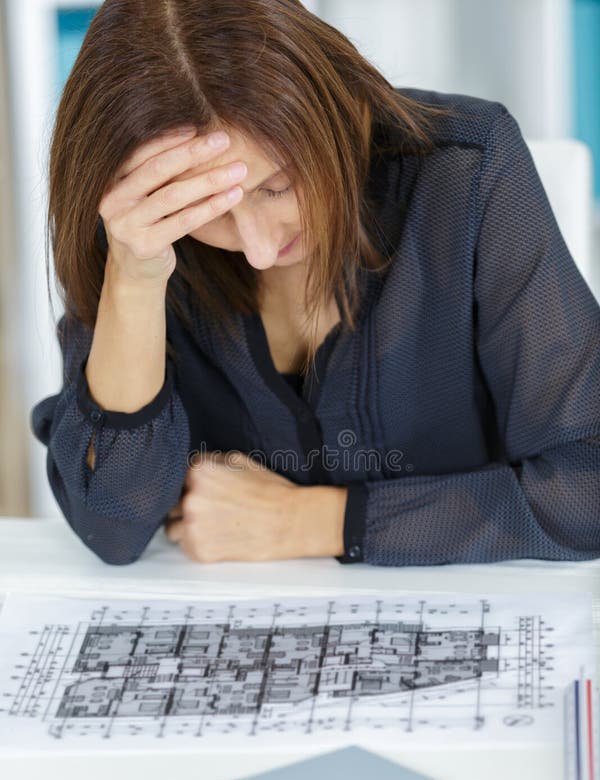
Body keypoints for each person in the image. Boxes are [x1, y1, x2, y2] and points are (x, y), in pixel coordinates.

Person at [31, 0, 600, 566]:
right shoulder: (141, 228)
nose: (257, 247)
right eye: (210, 211)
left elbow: (587, 485)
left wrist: (315, 522)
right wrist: (133, 280)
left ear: (334, 112)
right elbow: (111, 526)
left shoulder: (465, 172)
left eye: (277, 186)